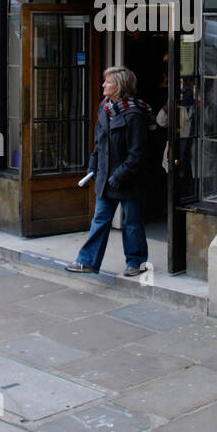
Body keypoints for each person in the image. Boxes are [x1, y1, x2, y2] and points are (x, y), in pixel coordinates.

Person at [65, 65, 152, 277]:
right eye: (104, 81)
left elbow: (137, 154)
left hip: (129, 180)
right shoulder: (104, 108)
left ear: (120, 86)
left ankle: (136, 262)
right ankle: (86, 262)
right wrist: (93, 166)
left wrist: (119, 175)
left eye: (108, 82)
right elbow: (99, 143)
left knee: (131, 223)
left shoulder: (134, 115)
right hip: (106, 179)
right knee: (100, 221)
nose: (103, 85)